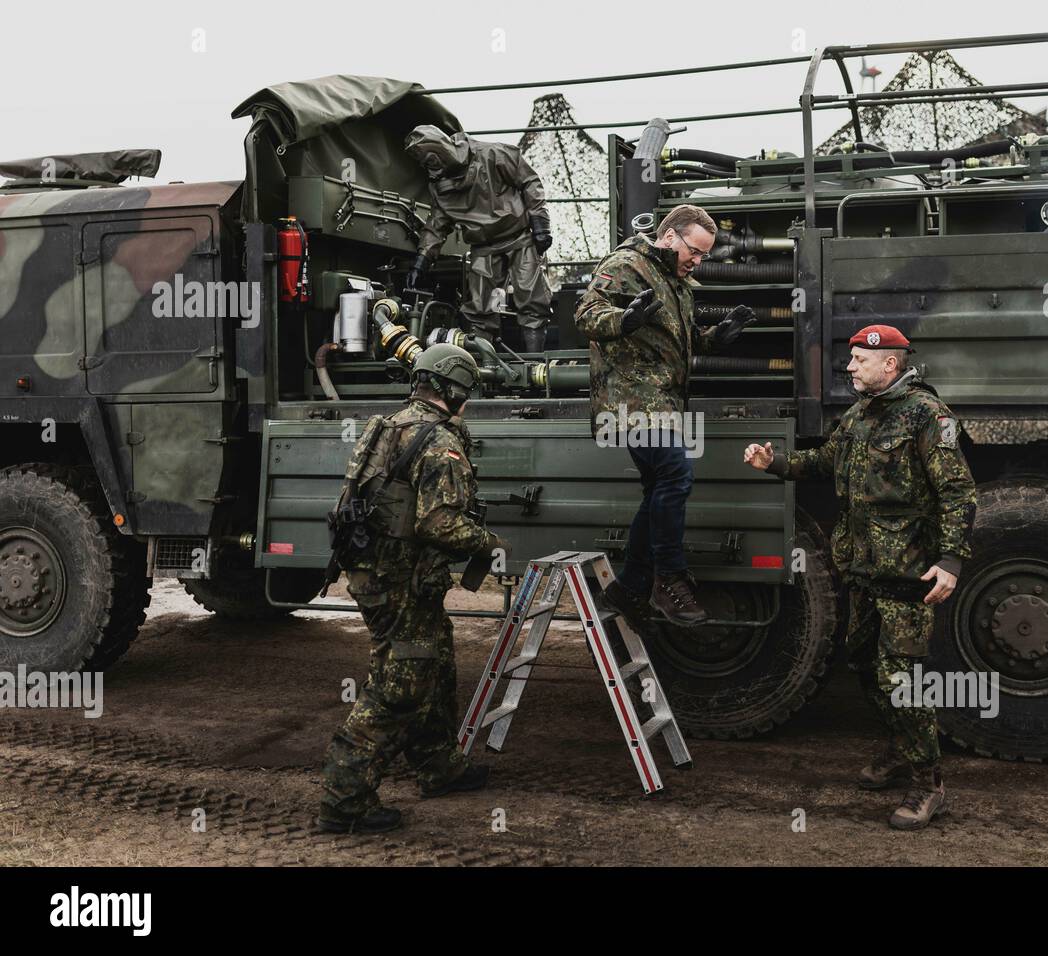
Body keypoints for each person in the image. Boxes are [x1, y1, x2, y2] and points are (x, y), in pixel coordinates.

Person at [743, 325, 977, 830]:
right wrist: (774, 463)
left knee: (903, 679)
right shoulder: (859, 416)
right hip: (865, 571)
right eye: (850, 359)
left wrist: (952, 559)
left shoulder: (927, 416)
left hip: (908, 574)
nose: (849, 368)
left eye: (858, 360)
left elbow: (959, 493)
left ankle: (929, 785)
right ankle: (899, 746)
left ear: (889, 364)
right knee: (866, 666)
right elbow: (824, 461)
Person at [318, 343, 508, 834]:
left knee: (436, 660)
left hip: (379, 573)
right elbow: (439, 524)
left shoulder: (388, 425)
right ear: (453, 390)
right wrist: (488, 542)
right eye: (467, 390)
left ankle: (437, 764)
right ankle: (345, 800)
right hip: (397, 578)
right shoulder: (439, 443)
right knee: (399, 686)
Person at [575, 204, 755, 628]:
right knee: (676, 475)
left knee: (660, 487)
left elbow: (680, 340)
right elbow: (585, 314)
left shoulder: (677, 282)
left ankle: (629, 585)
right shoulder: (625, 264)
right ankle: (667, 579)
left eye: (704, 255)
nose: (698, 260)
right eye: (695, 250)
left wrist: (715, 337)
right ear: (670, 236)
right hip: (630, 400)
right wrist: (624, 319)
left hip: (664, 401)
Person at [404, 125, 553, 352]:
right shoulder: (439, 186)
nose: (430, 168)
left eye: (430, 161)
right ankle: (486, 365)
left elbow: (528, 180)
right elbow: (436, 225)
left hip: (519, 237)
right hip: (483, 247)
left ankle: (535, 362)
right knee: (480, 309)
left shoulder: (492, 154)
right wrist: (421, 260)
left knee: (531, 297)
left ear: (440, 151)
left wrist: (540, 223)